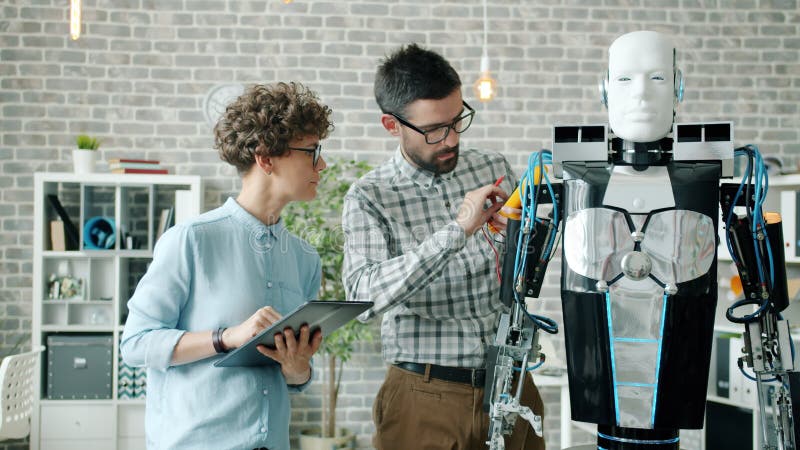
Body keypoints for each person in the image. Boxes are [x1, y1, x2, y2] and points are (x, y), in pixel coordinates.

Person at [342, 43, 545, 450]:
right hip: (423, 397)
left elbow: (523, 269)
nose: (452, 138)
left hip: (511, 386)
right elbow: (362, 297)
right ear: (390, 124)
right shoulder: (370, 197)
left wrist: (522, 233)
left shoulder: (491, 167)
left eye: (457, 120)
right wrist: (457, 231)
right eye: (435, 129)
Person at [120, 82, 331, 450]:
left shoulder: (305, 259)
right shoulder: (190, 240)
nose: (323, 164)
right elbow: (136, 345)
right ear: (266, 158)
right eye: (312, 151)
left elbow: (295, 377)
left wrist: (297, 370)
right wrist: (226, 337)